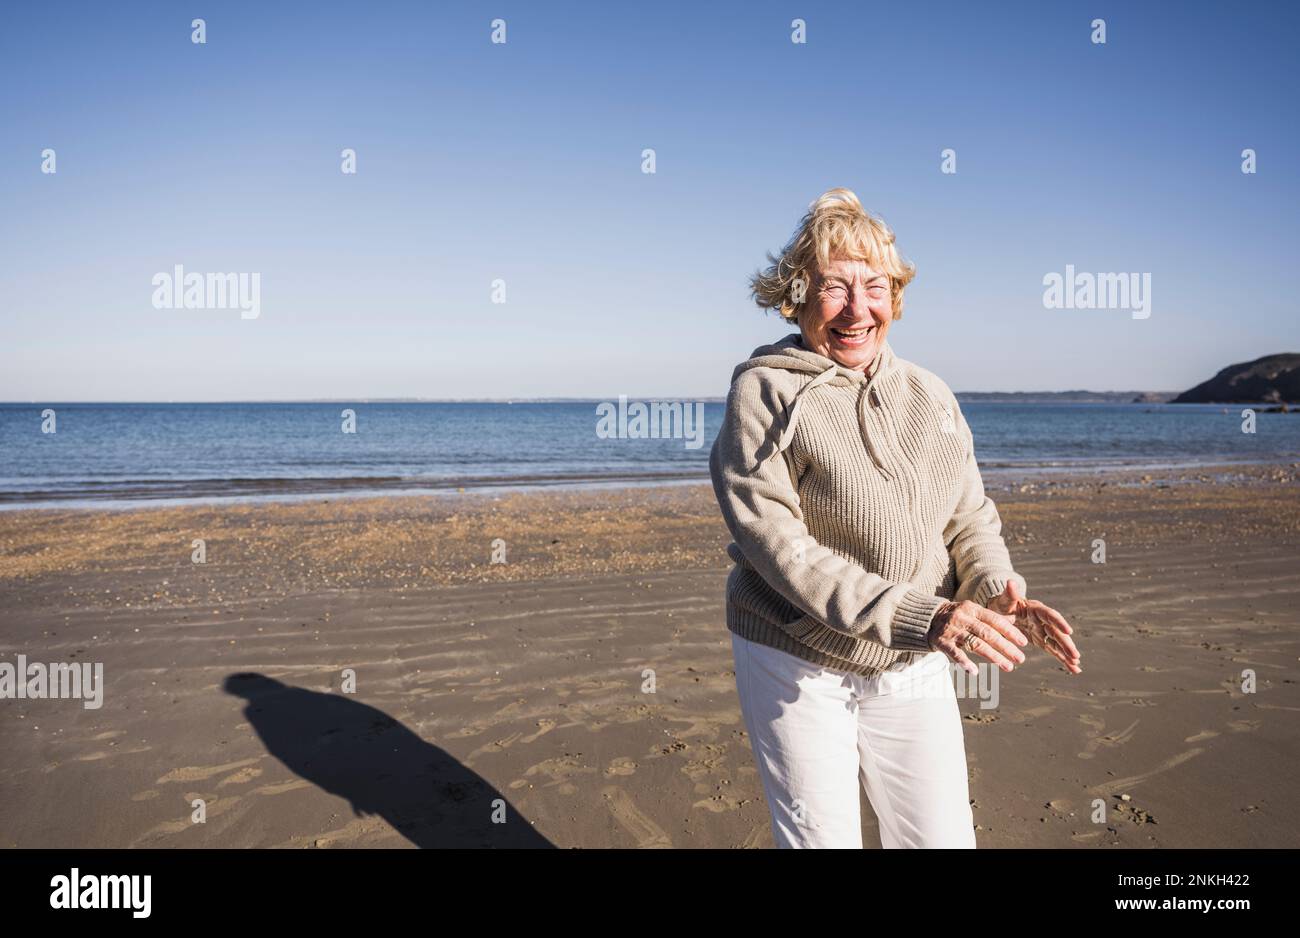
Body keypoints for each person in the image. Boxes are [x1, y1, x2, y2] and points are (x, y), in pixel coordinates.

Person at [709, 187, 1081, 848]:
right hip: (795, 656)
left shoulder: (928, 394)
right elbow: (781, 549)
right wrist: (930, 616)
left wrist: (992, 588)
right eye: (834, 288)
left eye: (874, 287)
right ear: (797, 296)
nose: (858, 309)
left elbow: (968, 518)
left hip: (912, 660)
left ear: (896, 295)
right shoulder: (762, 393)